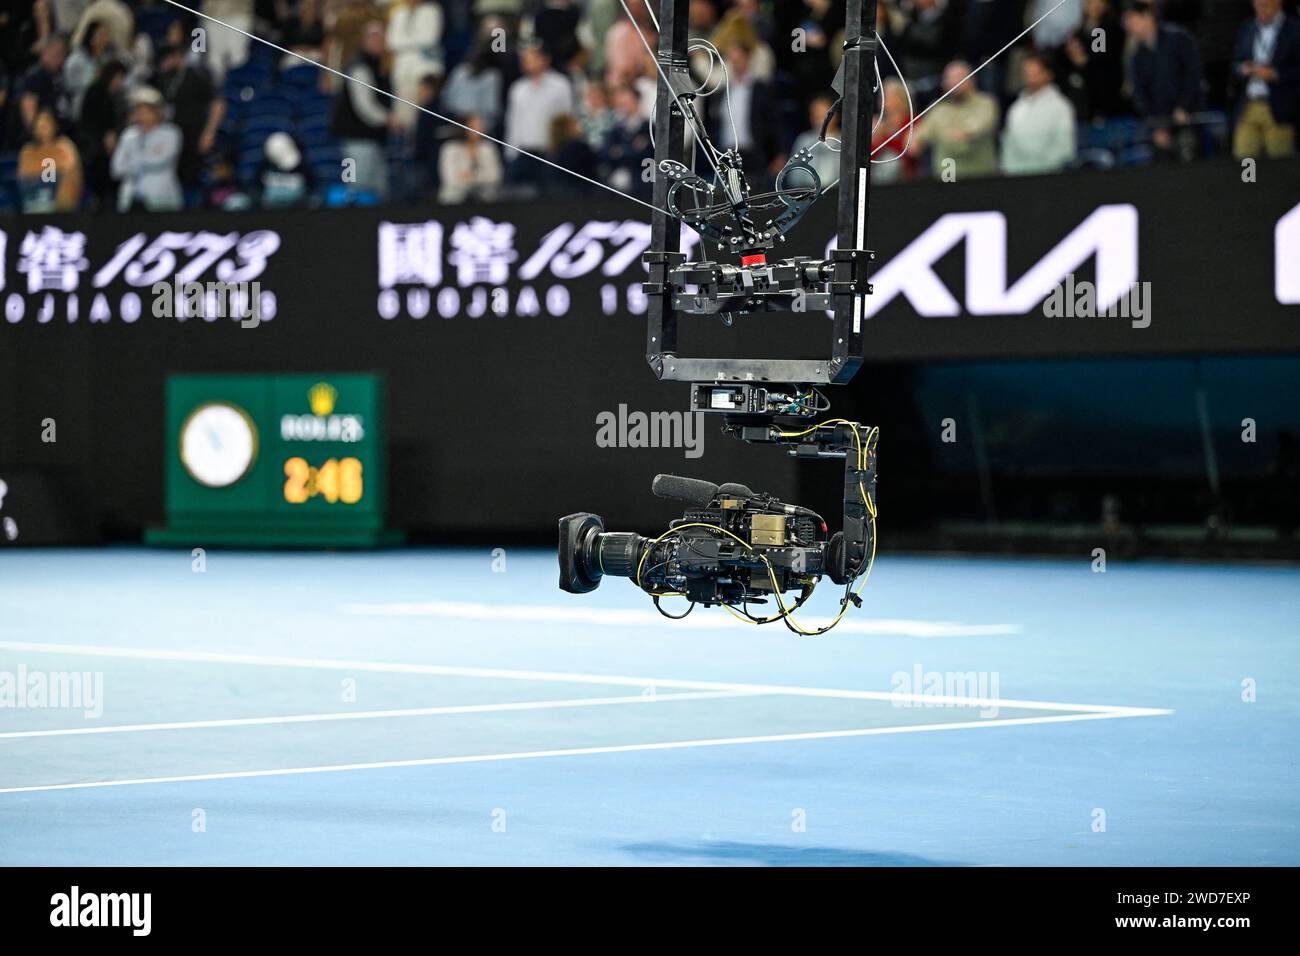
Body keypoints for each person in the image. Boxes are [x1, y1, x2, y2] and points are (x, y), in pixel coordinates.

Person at [1123, 0, 1203, 158]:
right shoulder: (1137, 56)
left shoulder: (1178, 38)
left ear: (1147, 17)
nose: (1129, 25)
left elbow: (1193, 75)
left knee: (1189, 153)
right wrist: (1156, 127)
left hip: (1188, 118)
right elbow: (1140, 95)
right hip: (1159, 126)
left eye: (1132, 20)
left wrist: (1183, 107)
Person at [330, 20, 395, 200]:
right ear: (364, 41)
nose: (378, 42)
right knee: (356, 189)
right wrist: (388, 119)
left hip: (374, 140)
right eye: (373, 38)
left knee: (378, 191)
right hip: (355, 140)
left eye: (381, 37)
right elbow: (365, 107)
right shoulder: (359, 67)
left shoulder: (378, 66)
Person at [152, 44, 224, 198]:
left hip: (195, 134)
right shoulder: (164, 78)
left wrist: (209, 132)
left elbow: (218, 103)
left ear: (178, 57)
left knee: (195, 178)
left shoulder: (195, 75)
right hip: (173, 136)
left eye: (168, 59)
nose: (164, 64)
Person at [1231, 0, 1300, 159]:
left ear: (1278, 3)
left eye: (1266, 5)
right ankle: (1248, 184)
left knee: (1279, 163)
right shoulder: (1247, 28)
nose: (1261, 9)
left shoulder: (1294, 30)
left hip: (1278, 107)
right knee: (1245, 161)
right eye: (1258, 5)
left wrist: (1275, 74)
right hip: (1249, 104)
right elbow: (1235, 63)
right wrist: (1243, 69)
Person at [909, 59, 999, 179]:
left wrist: (961, 133)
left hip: (980, 178)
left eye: (958, 77)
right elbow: (916, 138)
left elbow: (972, 130)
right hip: (947, 181)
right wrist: (913, 140)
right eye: (949, 78)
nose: (953, 82)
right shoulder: (938, 109)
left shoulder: (986, 103)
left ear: (972, 79)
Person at [503, 41, 574, 193]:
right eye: (524, 58)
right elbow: (513, 122)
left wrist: (561, 151)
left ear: (545, 59)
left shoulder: (560, 85)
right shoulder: (518, 89)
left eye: (531, 57)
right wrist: (511, 153)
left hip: (550, 154)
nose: (526, 62)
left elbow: (566, 119)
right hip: (523, 153)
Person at [999, 53, 1077, 175]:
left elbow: (1064, 147)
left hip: (1050, 176)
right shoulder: (1016, 109)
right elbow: (1008, 146)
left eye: (1035, 73)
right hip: (1017, 178)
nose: (1030, 77)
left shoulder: (1061, 107)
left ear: (1048, 75)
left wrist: (1041, 169)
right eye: (1027, 73)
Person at [111, 85, 183, 211]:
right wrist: (140, 163)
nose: (140, 114)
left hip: (161, 198)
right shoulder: (128, 135)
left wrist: (134, 162)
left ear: (157, 111)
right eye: (137, 110)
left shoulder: (171, 133)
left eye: (144, 110)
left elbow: (159, 161)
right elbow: (117, 168)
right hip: (130, 197)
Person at [386, 0, 445, 129]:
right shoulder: (400, 12)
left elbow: (429, 39)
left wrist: (404, 43)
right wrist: (414, 42)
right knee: (404, 115)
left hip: (424, 70)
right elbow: (392, 41)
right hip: (402, 70)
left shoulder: (432, 10)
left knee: (424, 112)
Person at [75, 57, 125, 210]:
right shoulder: (97, 91)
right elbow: (93, 120)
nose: (121, 82)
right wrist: (107, 135)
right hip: (94, 148)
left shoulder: (110, 94)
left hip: (99, 146)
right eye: (120, 77)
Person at [18, 108, 83, 212]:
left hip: (59, 203)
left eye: (47, 122)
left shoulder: (64, 147)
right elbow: (24, 178)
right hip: (33, 201)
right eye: (40, 122)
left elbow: (71, 175)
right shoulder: (28, 151)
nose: (43, 126)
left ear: (54, 125)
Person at [437, 114, 502, 203]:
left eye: (480, 126)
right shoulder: (450, 149)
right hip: (454, 200)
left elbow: (495, 176)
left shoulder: (488, 148)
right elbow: (450, 179)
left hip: (485, 199)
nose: (479, 130)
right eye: (474, 127)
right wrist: (480, 177)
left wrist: (471, 176)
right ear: (463, 128)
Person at [19, 34, 72, 137]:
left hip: (62, 133)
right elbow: (29, 105)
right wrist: (37, 135)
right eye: (52, 50)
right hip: (45, 137)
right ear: (44, 52)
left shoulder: (60, 74)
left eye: (60, 53)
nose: (55, 55)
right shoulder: (36, 75)